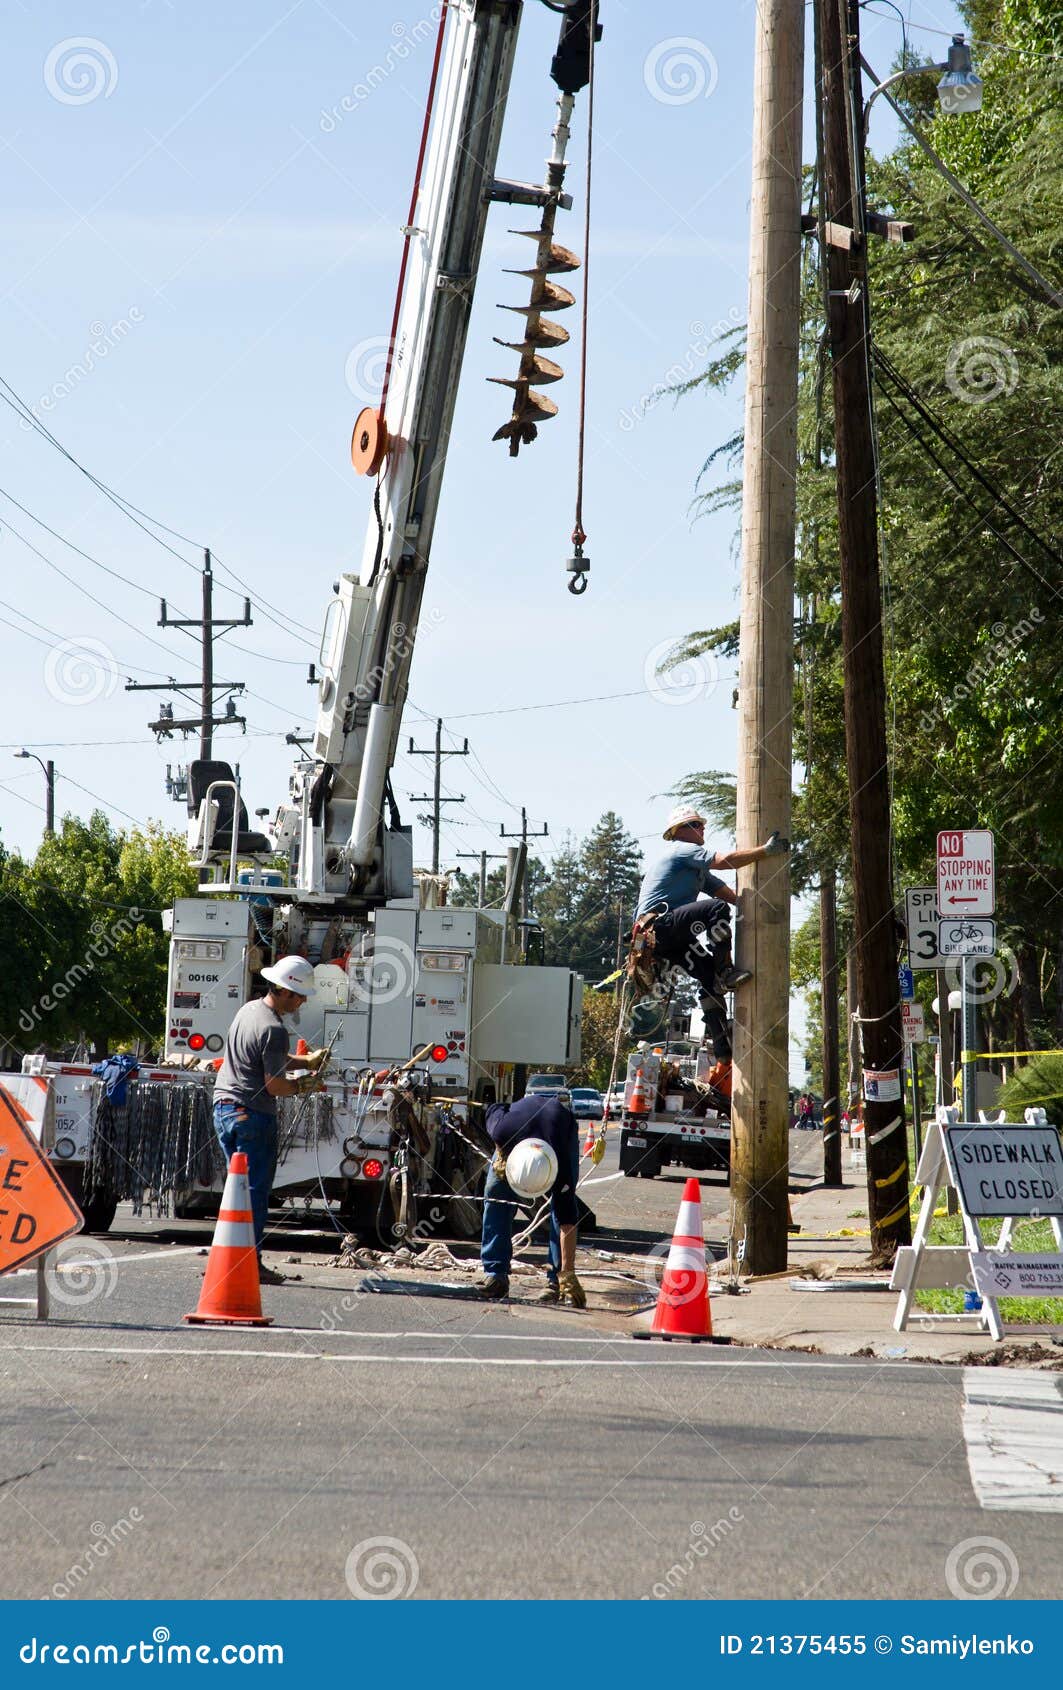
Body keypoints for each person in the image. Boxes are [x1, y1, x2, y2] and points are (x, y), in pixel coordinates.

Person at [633, 805, 789, 1058]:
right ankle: (726, 970)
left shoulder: (695, 871)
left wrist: (762, 906)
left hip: (665, 939)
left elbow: (730, 896)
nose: (702, 827)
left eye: (701, 823)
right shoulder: (682, 850)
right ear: (679, 831)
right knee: (714, 910)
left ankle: (722, 1049)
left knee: (707, 976)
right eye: (696, 824)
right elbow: (724, 862)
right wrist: (764, 851)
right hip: (658, 928)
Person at [213, 955, 324, 1285]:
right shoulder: (275, 1029)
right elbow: (273, 1084)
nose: (303, 1001)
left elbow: (266, 1058)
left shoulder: (248, 1011)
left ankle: (230, 1260)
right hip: (253, 1115)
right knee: (255, 1193)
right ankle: (250, 1263)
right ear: (286, 990)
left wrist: (305, 1061)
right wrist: (302, 1085)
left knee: (236, 1192)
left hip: (225, 1108)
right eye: (301, 995)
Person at [478, 1090, 583, 1306]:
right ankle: (495, 1273)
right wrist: (501, 1152)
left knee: (561, 1207)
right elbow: (493, 1108)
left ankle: (556, 1281)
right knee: (495, 1194)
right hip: (514, 1143)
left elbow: (567, 1220)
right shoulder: (501, 1129)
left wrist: (569, 1273)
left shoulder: (560, 1164)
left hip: (558, 1132)